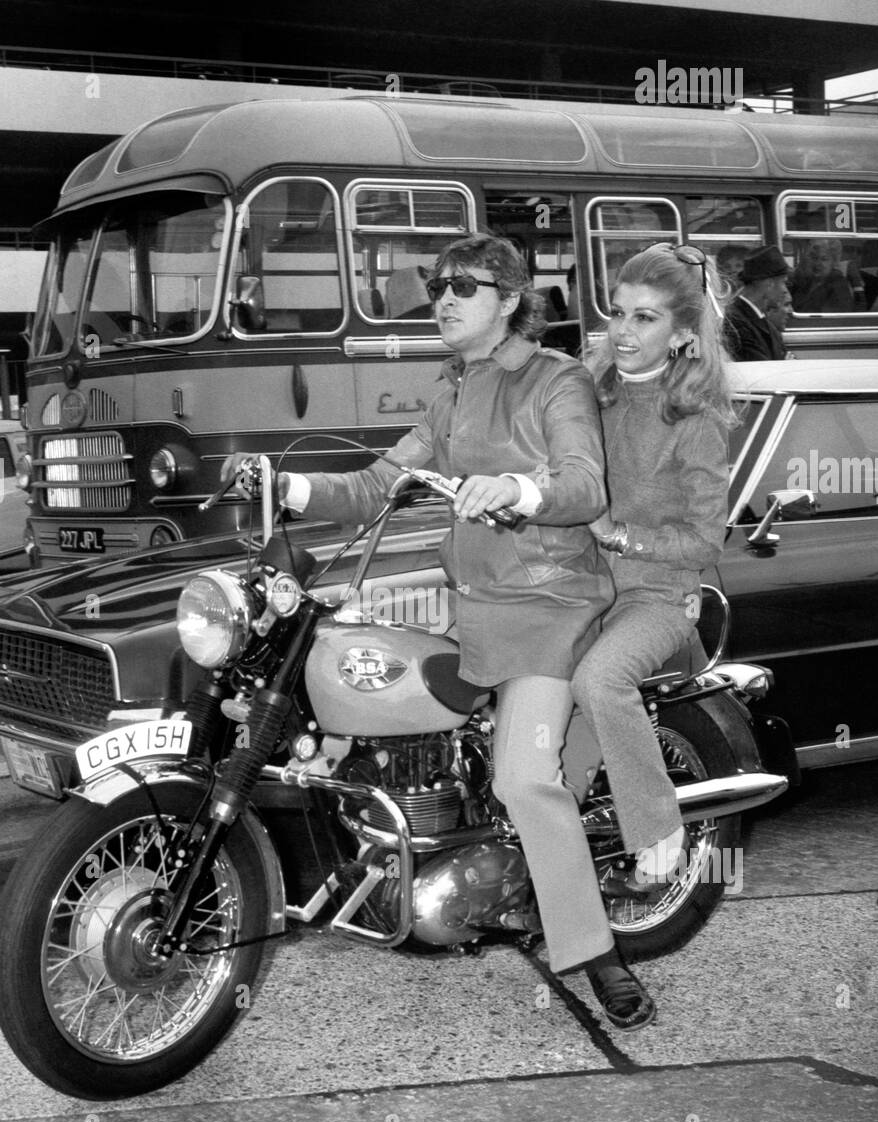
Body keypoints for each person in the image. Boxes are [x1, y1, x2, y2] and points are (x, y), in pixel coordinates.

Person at [278, 234, 654, 1028]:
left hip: (550, 611)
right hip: (475, 606)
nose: (443, 299)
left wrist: (518, 487)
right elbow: (382, 482)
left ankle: (595, 952)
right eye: (437, 286)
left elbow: (583, 482)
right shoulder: (448, 391)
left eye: (464, 287)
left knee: (523, 779)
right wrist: (290, 484)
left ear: (510, 300)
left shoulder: (556, 381)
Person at [571, 243, 733, 1026]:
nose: (623, 330)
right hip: (581, 592)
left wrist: (624, 539)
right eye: (617, 312)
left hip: (661, 600)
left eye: (645, 317)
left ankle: (657, 829)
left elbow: (707, 542)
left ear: (680, 333)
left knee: (599, 680)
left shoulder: (693, 418)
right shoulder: (588, 391)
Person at [721, 244, 790, 361]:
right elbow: (761, 370)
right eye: (783, 282)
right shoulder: (735, 322)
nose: (785, 291)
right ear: (769, 284)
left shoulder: (763, 322)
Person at [789, 238, 860, 313]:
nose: (817, 263)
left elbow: (830, 319)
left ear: (834, 262)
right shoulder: (807, 281)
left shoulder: (838, 284)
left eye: (824, 259)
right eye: (815, 258)